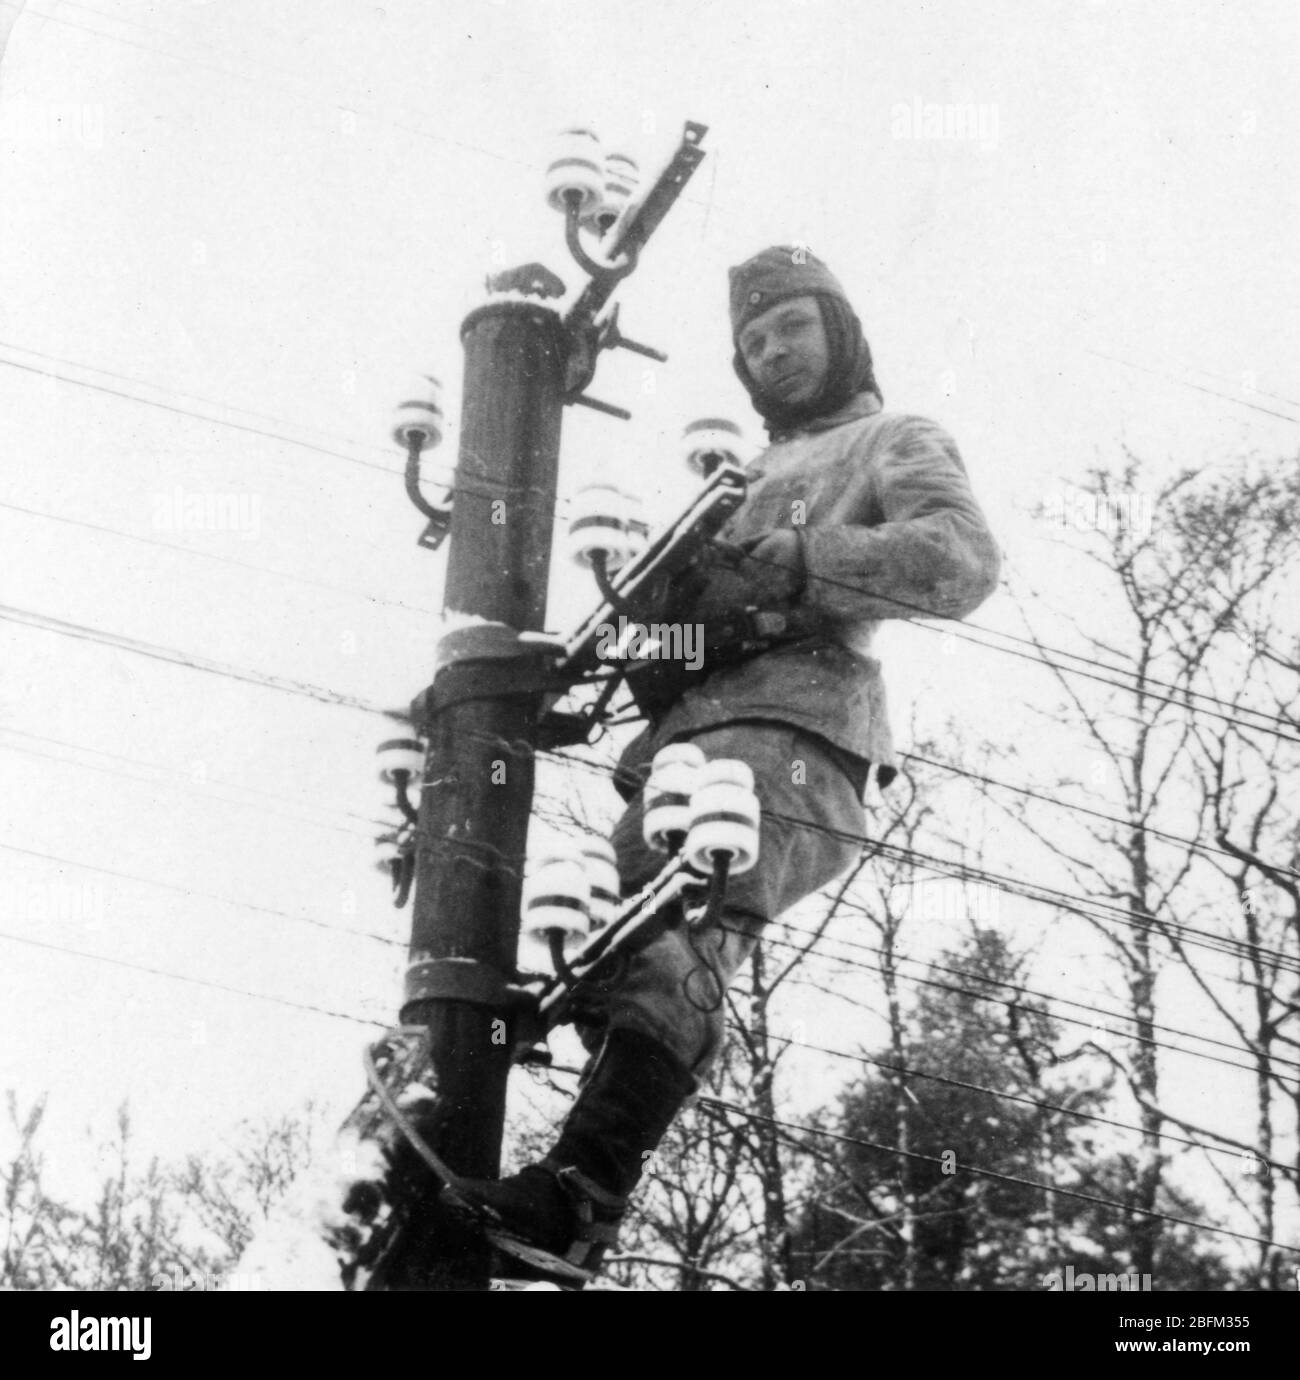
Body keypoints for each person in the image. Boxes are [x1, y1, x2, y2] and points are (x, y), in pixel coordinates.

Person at [448, 245, 1003, 1276]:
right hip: (682, 752)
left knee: (681, 931)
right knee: (618, 953)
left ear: (838, 328)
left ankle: (576, 1196)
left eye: (791, 326)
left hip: (793, 739)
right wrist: (585, 676)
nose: (770, 351)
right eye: (751, 341)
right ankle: (552, 1193)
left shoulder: (893, 438)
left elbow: (959, 561)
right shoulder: (732, 483)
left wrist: (807, 561)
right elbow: (691, 634)